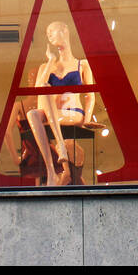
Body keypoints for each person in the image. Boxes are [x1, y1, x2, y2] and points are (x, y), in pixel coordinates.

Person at [22, 21, 94, 186]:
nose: (50, 36)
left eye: (52, 31)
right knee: (33, 112)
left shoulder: (82, 64)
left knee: (44, 97)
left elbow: (90, 96)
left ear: (65, 31)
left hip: (73, 112)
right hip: (53, 113)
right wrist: (50, 61)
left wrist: (88, 119)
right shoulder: (45, 66)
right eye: (48, 34)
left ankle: (59, 152)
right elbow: (38, 89)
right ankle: (51, 169)